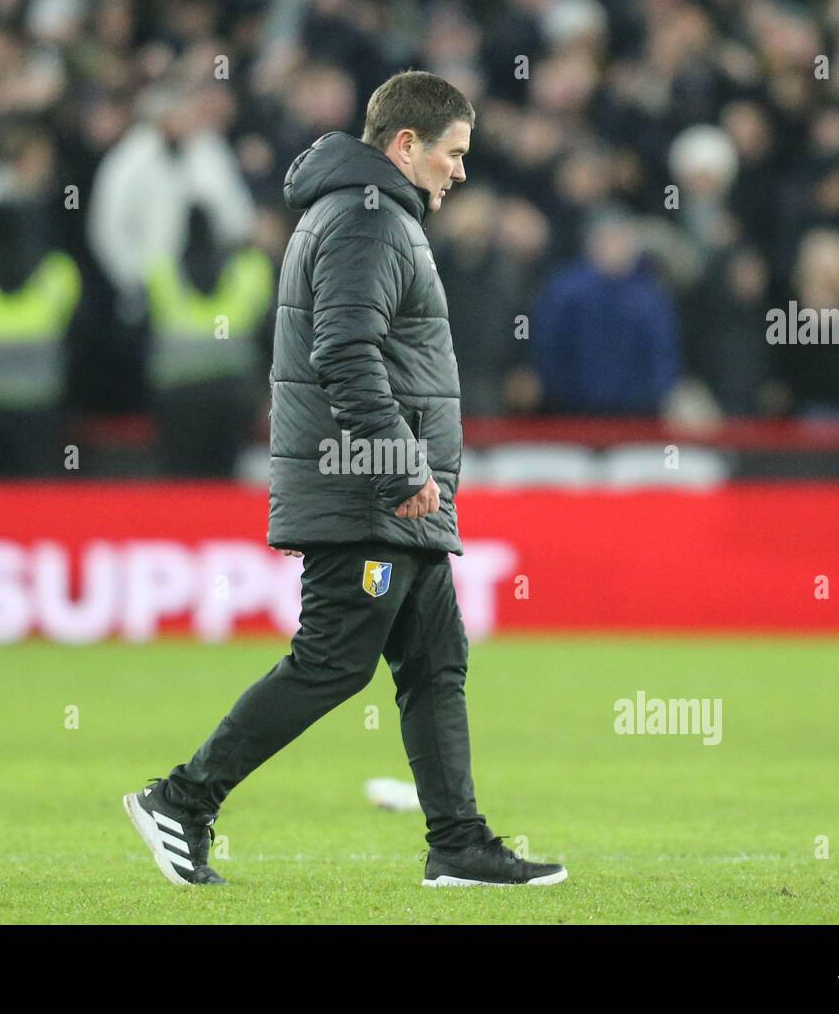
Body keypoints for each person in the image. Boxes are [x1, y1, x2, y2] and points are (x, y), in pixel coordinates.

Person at [123, 70, 567, 889]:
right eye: (453, 153)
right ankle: (181, 799)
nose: (461, 172)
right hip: (368, 489)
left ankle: (458, 843)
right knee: (332, 660)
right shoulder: (367, 222)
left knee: (436, 664)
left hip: (388, 491)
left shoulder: (366, 214)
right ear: (406, 145)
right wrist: (400, 464)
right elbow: (345, 352)